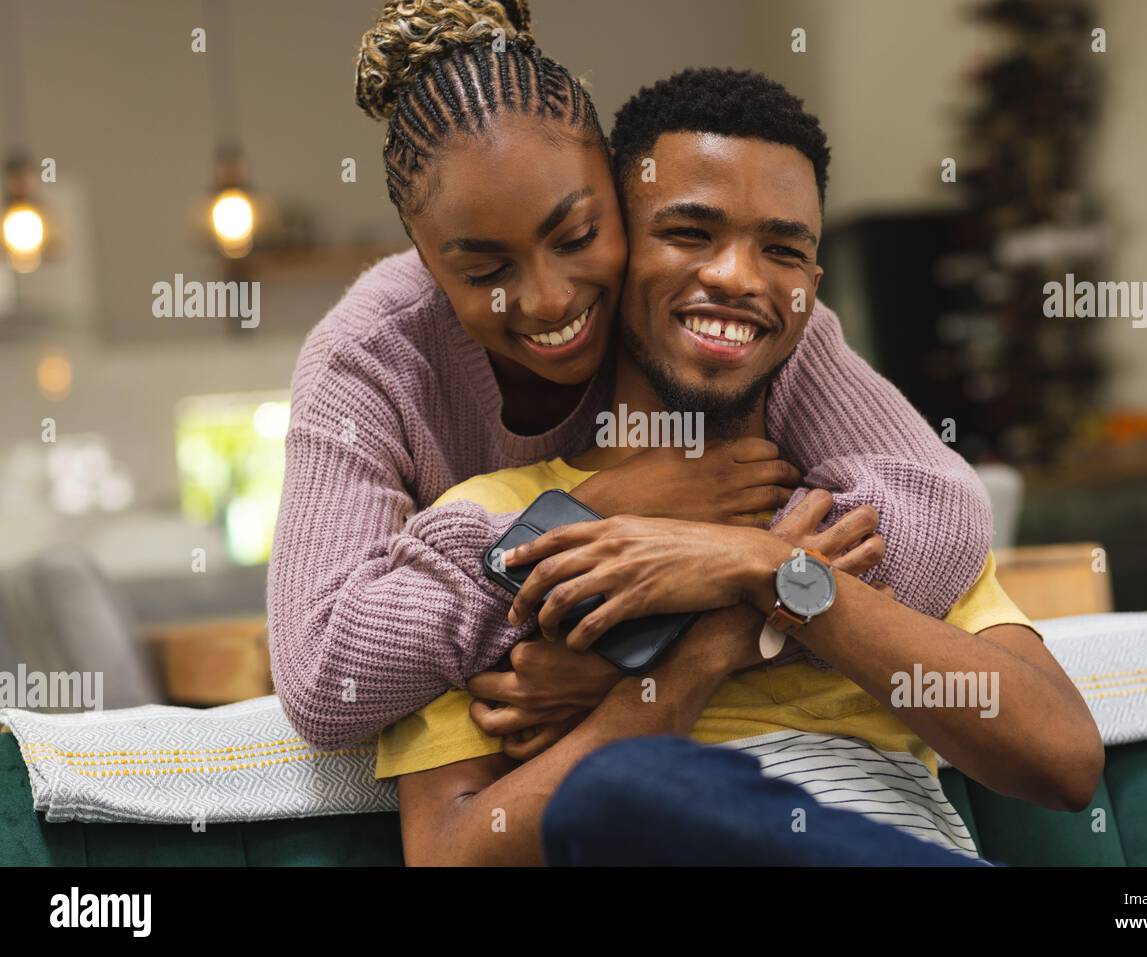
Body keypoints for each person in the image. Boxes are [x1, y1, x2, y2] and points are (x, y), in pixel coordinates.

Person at [380, 67, 1105, 866]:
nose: (737, 277)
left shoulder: (870, 512)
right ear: (616, 251)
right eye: (691, 233)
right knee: (623, 788)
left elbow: (1064, 758)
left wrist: (770, 567)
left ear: (810, 288)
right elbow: (449, 852)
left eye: (783, 250)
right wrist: (705, 654)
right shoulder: (495, 527)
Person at [268, 0, 994, 751]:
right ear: (425, 264)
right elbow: (326, 677)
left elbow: (940, 516)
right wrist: (587, 511)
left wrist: (696, 623)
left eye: (578, 235)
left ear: (621, 193)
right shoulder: (370, 359)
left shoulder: (694, 306)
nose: (549, 297)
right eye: (484, 269)